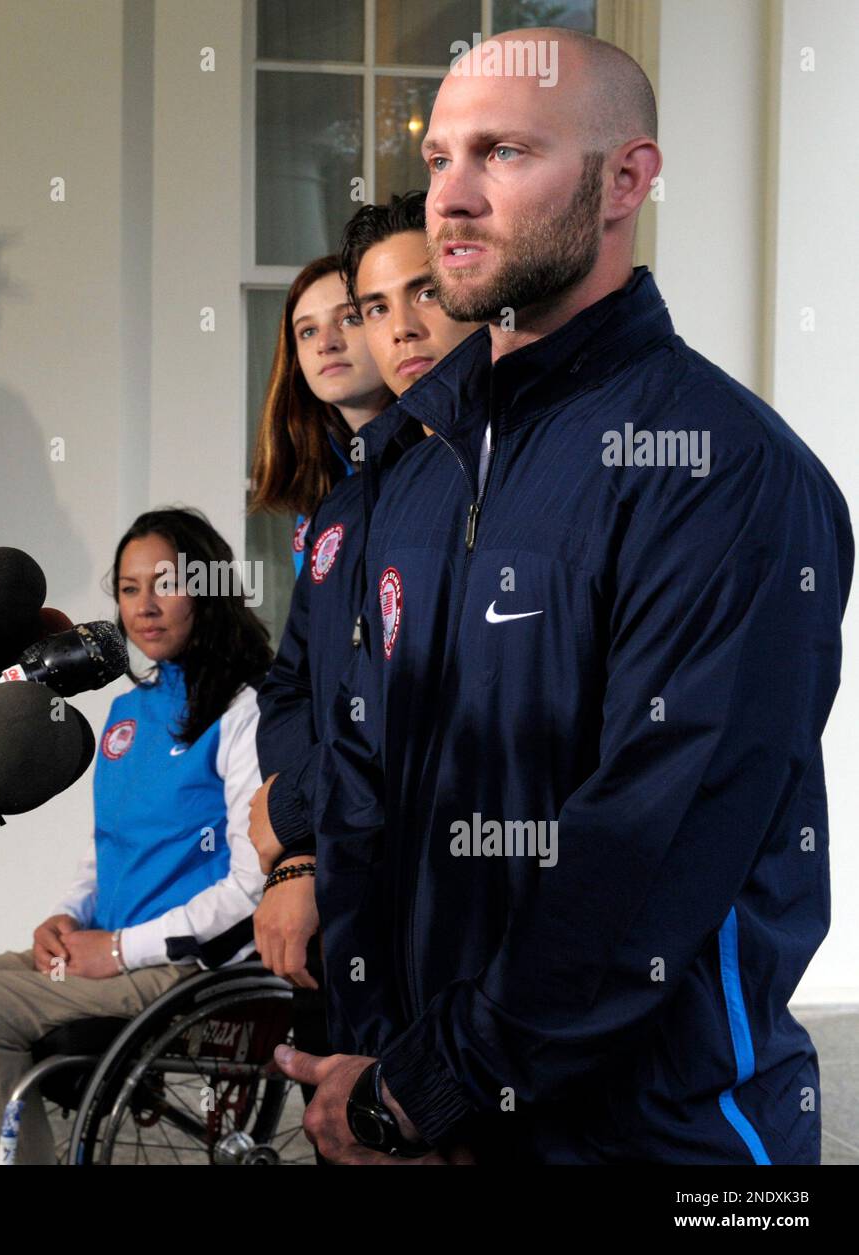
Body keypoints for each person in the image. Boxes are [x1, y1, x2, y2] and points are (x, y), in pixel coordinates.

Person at [280, 28, 852, 1165]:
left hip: (652, 1134)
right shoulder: (411, 454)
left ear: (624, 181)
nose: (452, 195)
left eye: (502, 153)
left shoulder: (724, 472)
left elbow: (645, 843)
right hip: (418, 1109)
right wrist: (373, 1056)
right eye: (439, 156)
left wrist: (427, 1084)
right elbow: (361, 776)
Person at [0, 507, 272, 1165]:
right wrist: (66, 914)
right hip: (102, 943)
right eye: (130, 588)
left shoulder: (243, 709)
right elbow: (106, 840)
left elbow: (251, 887)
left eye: (165, 583)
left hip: (178, 966)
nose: (145, 605)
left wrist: (118, 946)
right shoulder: (126, 708)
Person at [250, 196, 481, 1062]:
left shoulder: (473, 475)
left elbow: (415, 705)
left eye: (358, 313)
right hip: (348, 875)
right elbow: (292, 686)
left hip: (434, 889)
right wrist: (299, 852)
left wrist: (297, 818)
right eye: (374, 307)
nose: (391, 330)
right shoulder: (344, 504)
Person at [249, 255, 391, 578]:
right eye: (308, 331)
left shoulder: (438, 457)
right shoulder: (319, 483)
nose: (326, 344)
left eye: (350, 319)